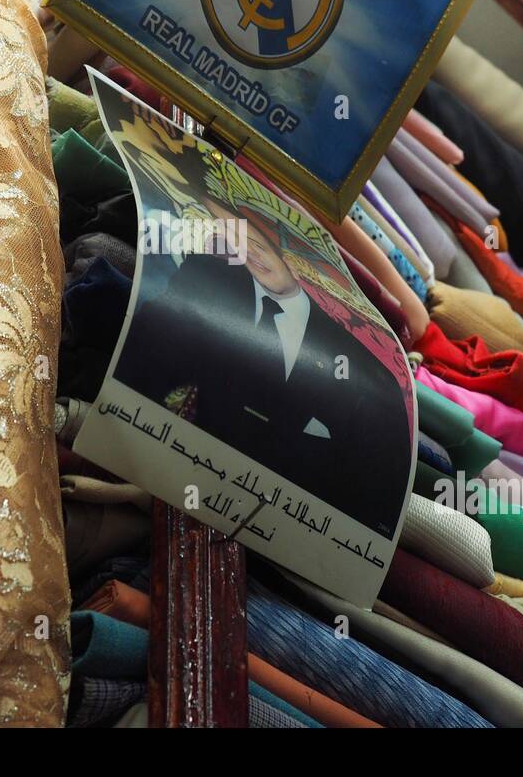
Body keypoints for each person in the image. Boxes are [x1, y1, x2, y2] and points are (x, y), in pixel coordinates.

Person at [112, 202, 412, 537]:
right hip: (168, 482)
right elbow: (144, 355)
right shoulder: (207, 279)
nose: (250, 256)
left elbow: (372, 490)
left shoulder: (359, 359)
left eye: (261, 245)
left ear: (295, 256)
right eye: (239, 243)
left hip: (288, 532)